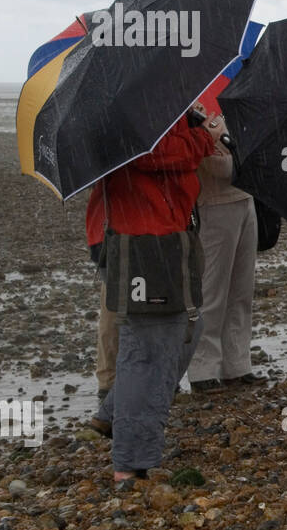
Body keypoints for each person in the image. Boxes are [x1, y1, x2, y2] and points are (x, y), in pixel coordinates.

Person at [91, 106, 218, 482]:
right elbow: (154, 152)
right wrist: (204, 137)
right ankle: (130, 466)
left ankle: (113, 417)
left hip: (161, 235)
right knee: (148, 349)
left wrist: (196, 130)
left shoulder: (151, 94)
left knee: (182, 332)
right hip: (145, 241)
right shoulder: (136, 101)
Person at [186, 133, 260, 390]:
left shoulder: (234, 103)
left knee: (242, 291)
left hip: (245, 201)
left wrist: (240, 157)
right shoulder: (194, 111)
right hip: (213, 205)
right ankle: (202, 369)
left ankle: (237, 364)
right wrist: (244, 157)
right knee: (212, 292)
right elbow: (217, 166)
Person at [84, 187, 118, 436]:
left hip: (112, 230)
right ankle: (109, 385)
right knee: (114, 312)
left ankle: (111, 384)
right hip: (112, 232)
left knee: (115, 311)